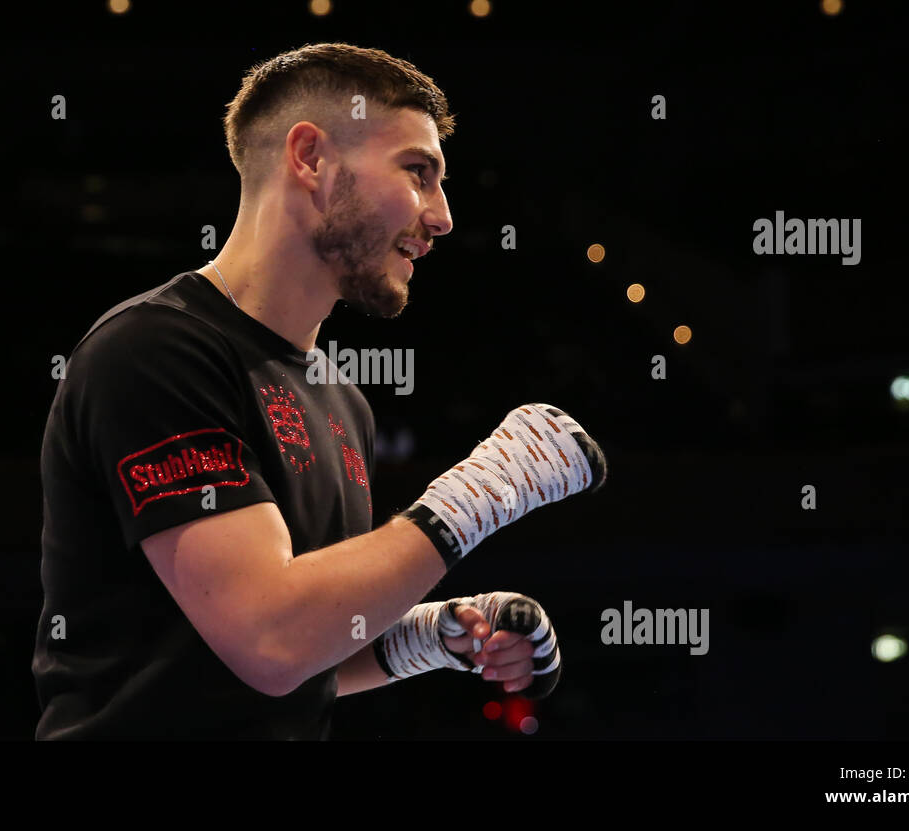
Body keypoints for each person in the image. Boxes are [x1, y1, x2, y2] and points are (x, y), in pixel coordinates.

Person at [32, 42, 606, 739]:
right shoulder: (155, 352)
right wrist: (484, 491)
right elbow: (269, 638)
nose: (443, 215)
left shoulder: (341, 403)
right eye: (418, 172)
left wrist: (431, 636)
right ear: (310, 158)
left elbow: (306, 644)